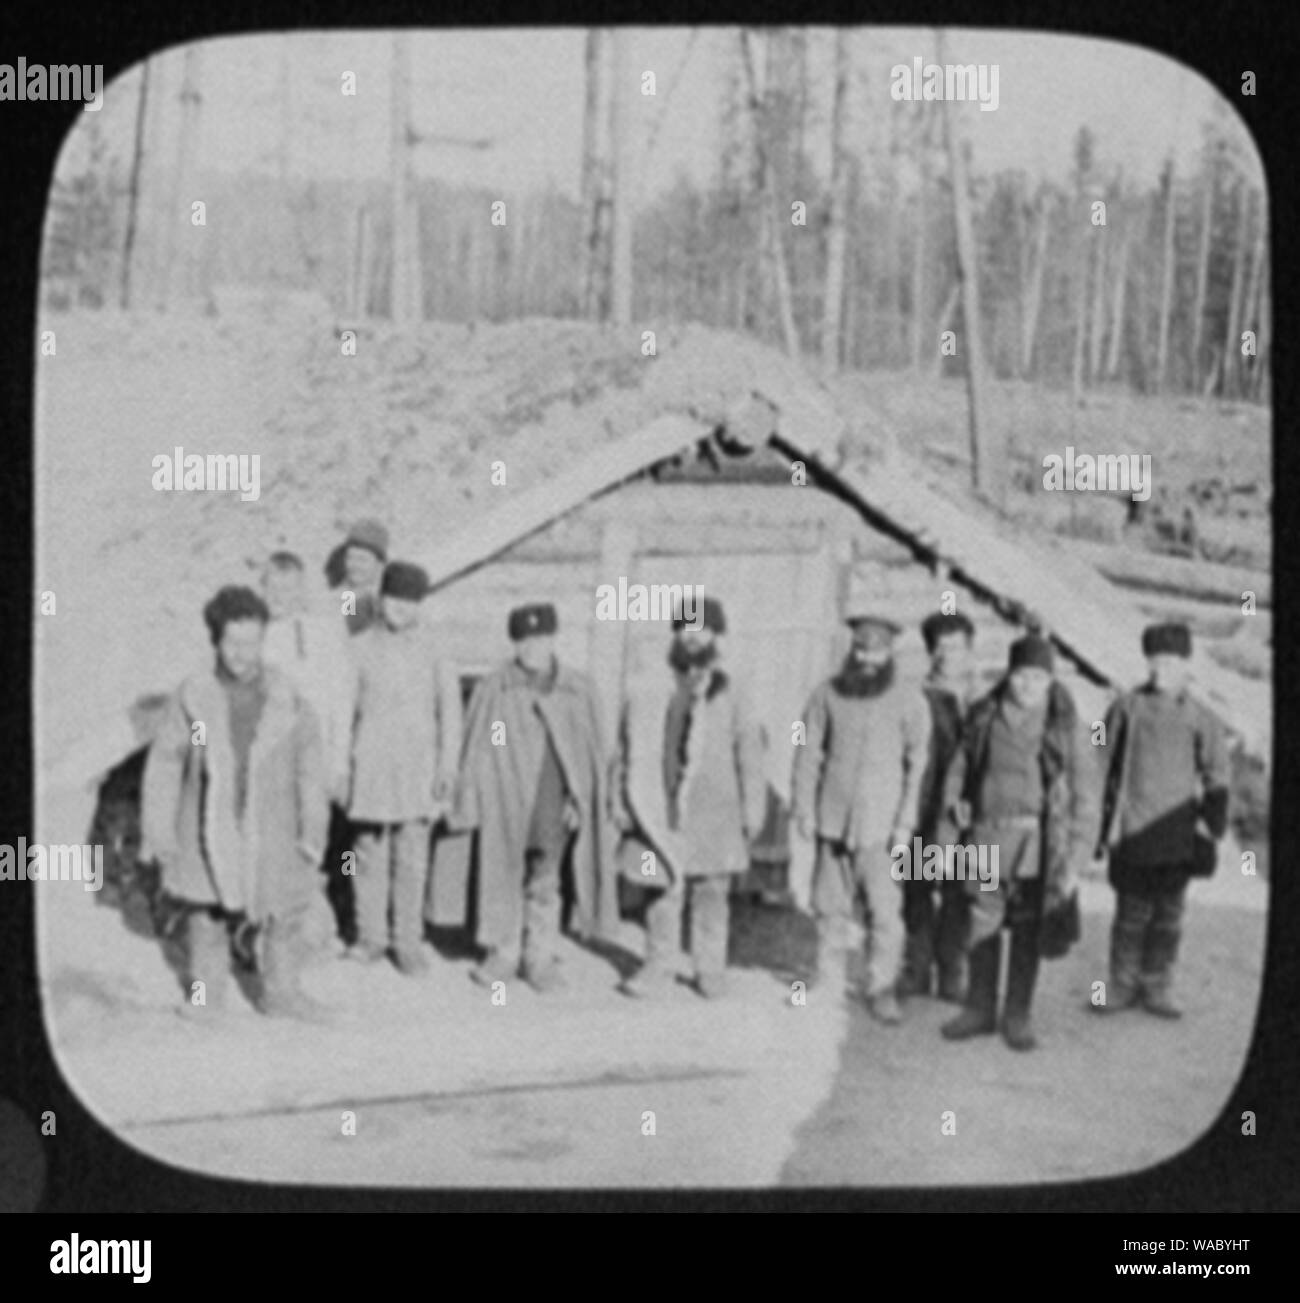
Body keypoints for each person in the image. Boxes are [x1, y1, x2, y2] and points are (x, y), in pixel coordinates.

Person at [141, 585, 330, 1021]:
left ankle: (281, 993)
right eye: (232, 643)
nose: (242, 654)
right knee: (206, 914)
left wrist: (312, 826)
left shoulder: (288, 698)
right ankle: (208, 998)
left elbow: (309, 769)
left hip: (272, 822)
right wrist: (160, 829)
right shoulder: (194, 697)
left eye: (252, 642)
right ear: (215, 641)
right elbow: (166, 763)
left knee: (281, 911)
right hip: (208, 820)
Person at [453, 603, 617, 993]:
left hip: (554, 799)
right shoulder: (496, 687)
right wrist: (481, 787)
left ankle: (539, 956)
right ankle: (504, 952)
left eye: (539, 639)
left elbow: (591, 751)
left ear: (553, 638)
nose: (532, 648)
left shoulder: (578, 688)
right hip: (506, 798)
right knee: (501, 875)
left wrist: (583, 799)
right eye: (523, 640)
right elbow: (484, 741)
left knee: (546, 880)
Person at [612, 598, 766, 999]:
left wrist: (754, 807)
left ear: (716, 635)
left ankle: (709, 968)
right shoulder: (650, 685)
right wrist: (620, 799)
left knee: (711, 891)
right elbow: (624, 747)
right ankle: (657, 965)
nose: (693, 637)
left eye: (702, 629)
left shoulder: (732, 689)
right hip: (659, 805)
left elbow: (749, 749)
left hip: (715, 809)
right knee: (660, 888)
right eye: (686, 628)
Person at [939, 634, 1086, 1051]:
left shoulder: (1063, 724)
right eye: (1022, 675)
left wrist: (1073, 860)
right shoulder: (983, 716)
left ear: (1050, 681)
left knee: (1027, 928)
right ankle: (979, 1008)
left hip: (1035, 846)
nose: (1028, 686)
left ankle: (1017, 1014)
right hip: (985, 837)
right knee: (981, 921)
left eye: (1038, 677)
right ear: (1009, 674)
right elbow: (957, 773)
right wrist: (948, 832)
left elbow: (1085, 796)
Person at [790, 612, 930, 1024]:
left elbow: (918, 762)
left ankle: (881, 986)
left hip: (882, 830)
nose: (867, 660)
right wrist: (803, 806)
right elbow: (806, 750)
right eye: (861, 651)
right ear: (852, 650)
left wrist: (905, 823)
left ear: (891, 654)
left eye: (877, 653)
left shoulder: (909, 700)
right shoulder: (824, 696)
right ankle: (827, 981)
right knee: (830, 906)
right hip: (832, 820)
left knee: (885, 914)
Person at [1095, 622, 1229, 1018]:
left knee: (1168, 918)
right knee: (1130, 916)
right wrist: (1098, 827)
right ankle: (1120, 985)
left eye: (1169, 662)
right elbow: (1100, 756)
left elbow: (1218, 775)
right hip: (1132, 832)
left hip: (1178, 838)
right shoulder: (1124, 707)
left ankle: (1157, 986)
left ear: (1186, 665)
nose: (1159, 671)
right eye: (1153, 662)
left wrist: (1210, 829)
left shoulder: (1203, 718)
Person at [344, 560, 461, 975]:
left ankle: (407, 941)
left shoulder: (436, 650)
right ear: (381, 599)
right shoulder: (358, 648)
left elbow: (450, 711)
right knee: (367, 853)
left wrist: (448, 767)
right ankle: (369, 936)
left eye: (410, 602)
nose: (401, 609)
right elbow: (344, 712)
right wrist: (342, 767)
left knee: (412, 856)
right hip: (372, 764)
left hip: (417, 766)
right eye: (394, 599)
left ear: (420, 606)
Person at [261, 550, 354, 950]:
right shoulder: (253, 635)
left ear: (302, 591)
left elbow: (341, 698)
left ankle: (314, 924)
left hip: (315, 758)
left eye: (289, 587)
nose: (280, 595)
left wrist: (338, 762)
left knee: (314, 837)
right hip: (270, 760)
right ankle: (269, 927)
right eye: (272, 587)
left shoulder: (325, 633)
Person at [898, 611, 977, 1003]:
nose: (949, 656)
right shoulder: (914, 698)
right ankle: (916, 968)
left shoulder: (983, 702)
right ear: (931, 653)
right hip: (924, 806)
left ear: (970, 651)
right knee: (916, 891)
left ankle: (952, 972)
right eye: (941, 648)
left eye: (957, 647)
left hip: (970, 814)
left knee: (962, 894)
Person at [333, 518, 389, 637]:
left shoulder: (391, 597)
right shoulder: (348, 598)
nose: (353, 565)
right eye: (350, 557)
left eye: (362, 559)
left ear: (380, 565)